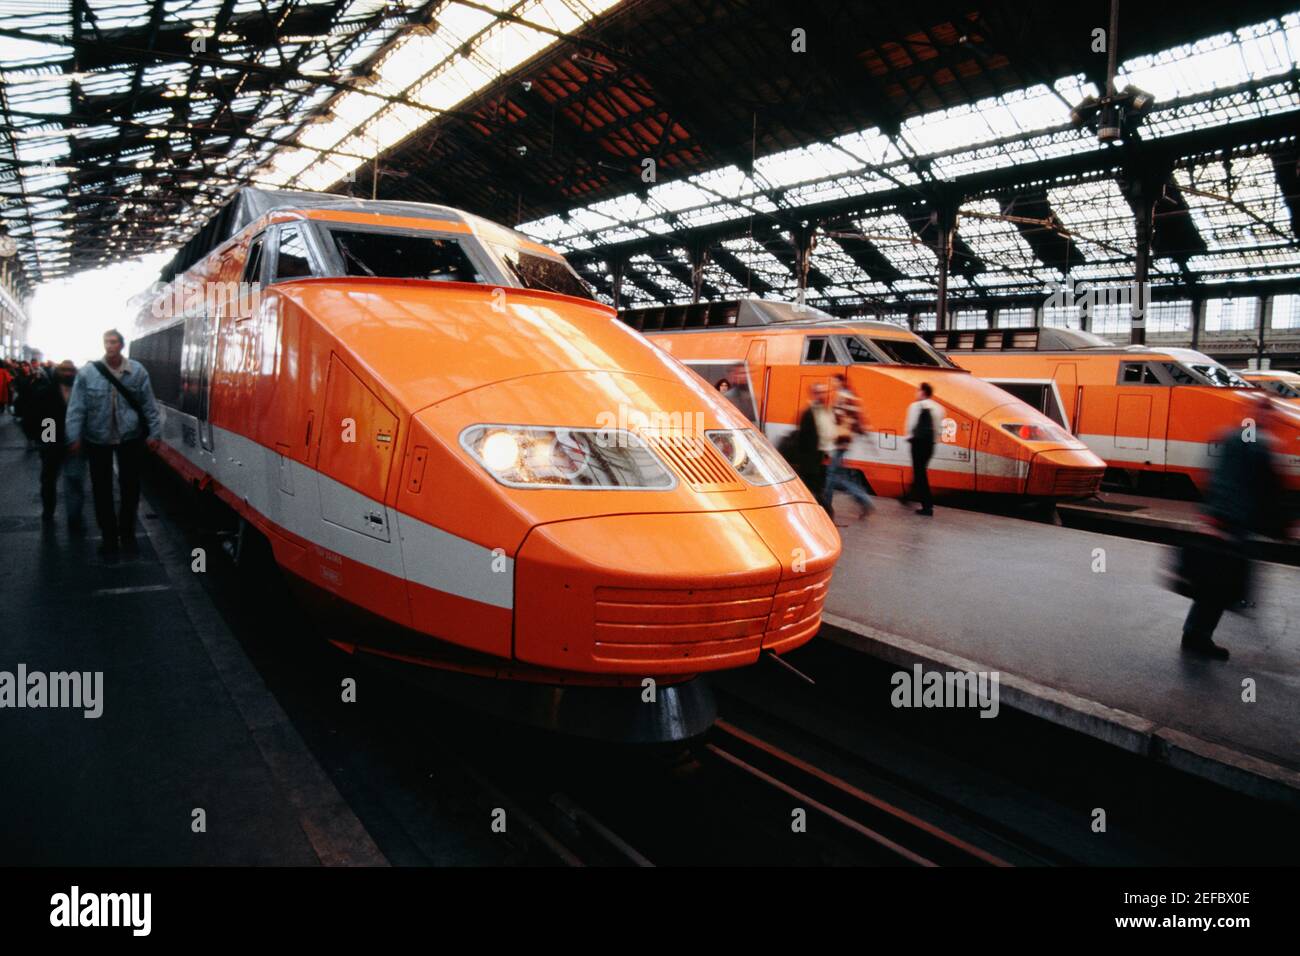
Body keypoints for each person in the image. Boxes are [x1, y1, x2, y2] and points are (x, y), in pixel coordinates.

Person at [1177, 395, 1289, 661]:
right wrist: (1282, 527)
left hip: (1220, 517)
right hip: (1235, 521)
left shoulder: (1227, 437)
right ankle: (1197, 635)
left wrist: (1208, 512)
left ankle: (1196, 632)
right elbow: (1270, 492)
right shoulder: (1262, 445)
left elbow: (1209, 475)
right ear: (1264, 416)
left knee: (1213, 579)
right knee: (1220, 581)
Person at [66, 329, 162, 557]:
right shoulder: (88, 373)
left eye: (114, 342)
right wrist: (74, 436)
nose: (109, 346)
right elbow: (76, 408)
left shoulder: (137, 372)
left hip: (129, 437)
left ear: (121, 345)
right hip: (97, 438)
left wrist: (154, 434)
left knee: (131, 488)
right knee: (102, 490)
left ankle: (127, 534)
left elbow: (149, 404)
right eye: (106, 342)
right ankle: (109, 537)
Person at [30, 360, 86, 531]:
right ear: (58, 372)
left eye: (71, 370)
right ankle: (48, 511)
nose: (68, 373)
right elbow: (41, 417)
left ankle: (74, 517)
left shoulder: (82, 393)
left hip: (75, 443)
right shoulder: (46, 392)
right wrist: (48, 441)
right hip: (52, 442)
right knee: (48, 480)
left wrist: (79, 439)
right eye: (64, 370)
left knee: (75, 480)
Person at [821, 374, 873, 520]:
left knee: (832, 476)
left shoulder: (843, 397)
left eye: (834, 382)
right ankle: (861, 501)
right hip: (844, 441)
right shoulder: (851, 397)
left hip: (840, 441)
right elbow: (857, 420)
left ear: (841, 382)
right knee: (837, 475)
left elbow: (837, 419)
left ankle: (827, 507)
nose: (833, 384)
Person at [794, 382, 838, 517]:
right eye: (820, 392)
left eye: (825, 392)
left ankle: (822, 512)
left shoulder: (826, 410)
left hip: (821, 456)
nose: (824, 395)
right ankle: (826, 514)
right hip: (810, 459)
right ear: (814, 394)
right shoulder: (808, 413)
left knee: (816, 488)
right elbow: (803, 438)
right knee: (814, 488)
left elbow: (828, 432)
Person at [903, 382, 940, 516]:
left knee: (920, 474)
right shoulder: (938, 408)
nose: (916, 393)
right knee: (920, 471)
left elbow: (911, 425)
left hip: (917, 443)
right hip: (930, 445)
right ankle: (908, 496)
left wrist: (908, 438)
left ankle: (927, 505)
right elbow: (938, 429)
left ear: (923, 392)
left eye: (918, 390)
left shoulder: (915, 406)